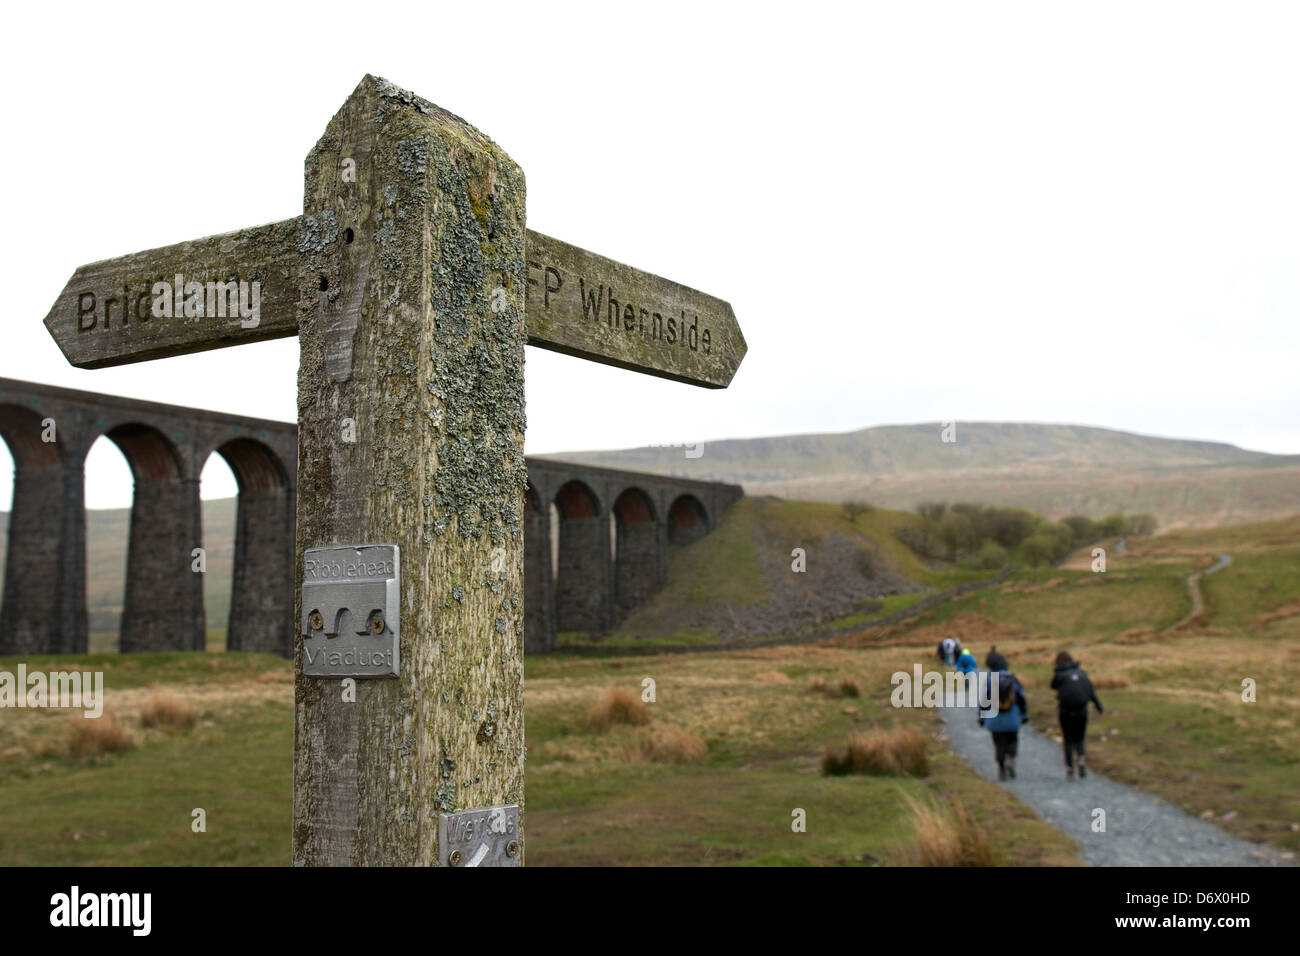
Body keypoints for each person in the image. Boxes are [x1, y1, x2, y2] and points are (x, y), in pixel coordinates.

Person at [1050, 651, 1103, 779]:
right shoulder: (1082, 673)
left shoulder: (1059, 674)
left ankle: (1069, 768)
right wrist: (1099, 707)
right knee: (1079, 737)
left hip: (1065, 710)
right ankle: (1081, 759)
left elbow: (1052, 686)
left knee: (1068, 739)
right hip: (1081, 710)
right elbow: (1091, 692)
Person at [980, 662, 1028, 781]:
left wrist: (981, 717)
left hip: (994, 720)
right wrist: (1024, 715)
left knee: (998, 744)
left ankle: (1001, 770)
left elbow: (983, 701)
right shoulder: (1013, 680)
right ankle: (1011, 759)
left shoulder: (990, 680)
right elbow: (1021, 698)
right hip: (1012, 719)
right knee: (1012, 740)